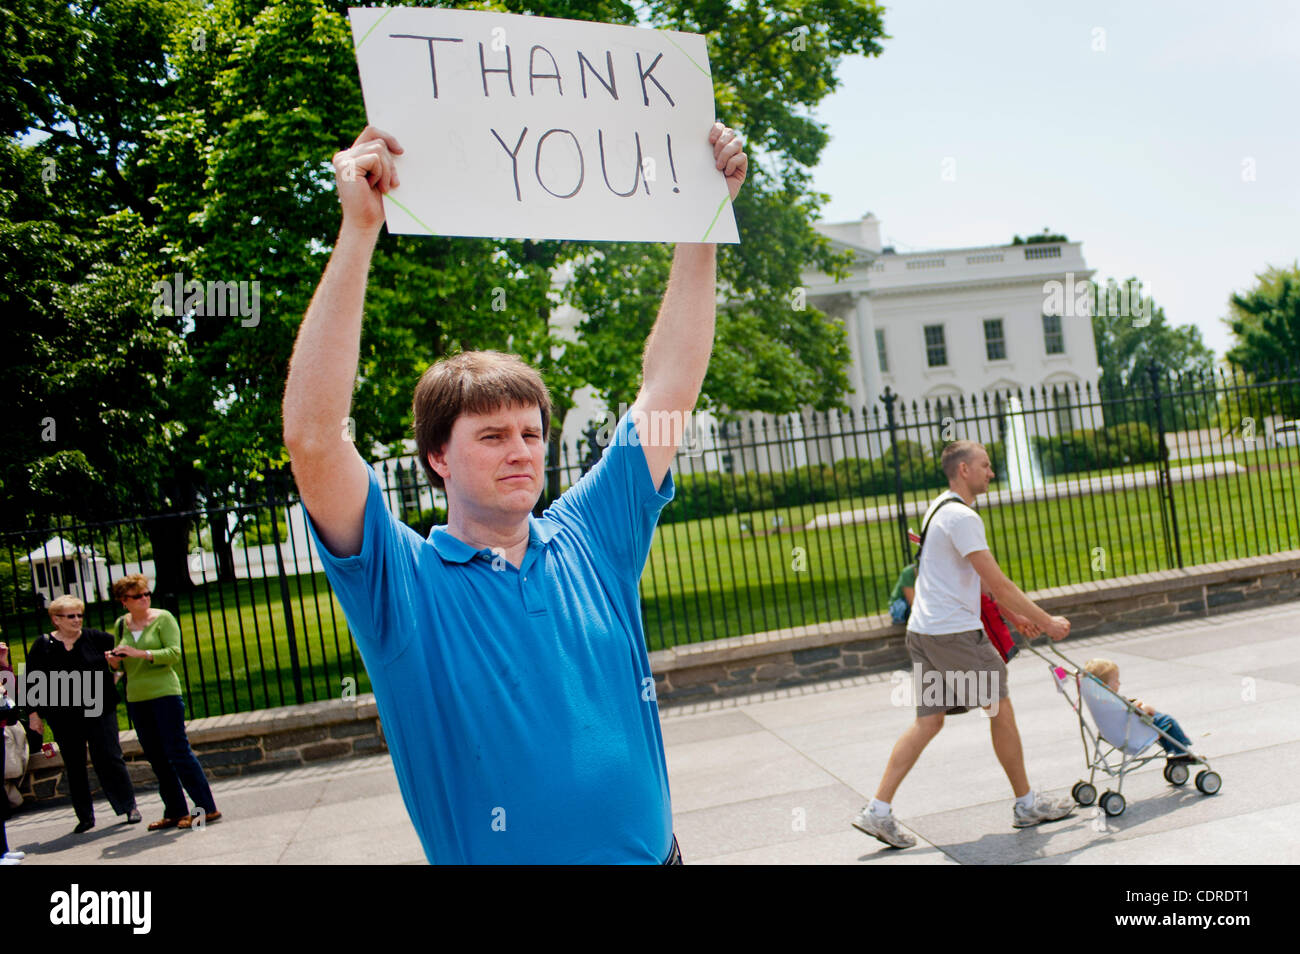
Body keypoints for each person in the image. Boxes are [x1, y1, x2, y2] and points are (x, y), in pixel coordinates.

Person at [282, 122, 747, 864]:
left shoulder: (593, 536)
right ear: (437, 455)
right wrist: (358, 230)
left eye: (530, 434)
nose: (521, 452)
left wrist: (702, 220)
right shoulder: (402, 583)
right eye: (491, 436)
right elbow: (312, 438)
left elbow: (671, 384)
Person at [853, 440, 1077, 848]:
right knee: (1000, 709)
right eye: (985, 465)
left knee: (929, 721)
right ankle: (1027, 804)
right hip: (953, 634)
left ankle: (877, 811)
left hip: (923, 632)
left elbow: (965, 579)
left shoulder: (939, 507)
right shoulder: (961, 517)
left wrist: (1015, 617)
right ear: (963, 470)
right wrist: (1047, 622)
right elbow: (998, 582)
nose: (991, 472)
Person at [109, 575, 220, 830]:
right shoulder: (120, 625)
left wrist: (141, 653)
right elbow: (122, 665)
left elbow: (174, 654)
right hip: (137, 697)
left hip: (165, 694)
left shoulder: (162, 618)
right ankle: (175, 810)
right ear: (124, 601)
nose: (145, 598)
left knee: (178, 752)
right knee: (157, 757)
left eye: (147, 593)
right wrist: (114, 661)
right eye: (138, 596)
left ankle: (206, 808)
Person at [23, 596, 140, 834]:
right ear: (56, 619)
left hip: (98, 708)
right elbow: (31, 681)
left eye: (79, 615)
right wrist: (34, 715)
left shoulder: (96, 638)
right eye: (70, 616)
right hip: (63, 714)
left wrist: (115, 677)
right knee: (74, 764)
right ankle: (85, 816)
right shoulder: (43, 644)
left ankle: (128, 806)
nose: (77, 620)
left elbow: (122, 657)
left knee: (109, 757)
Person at [1082, 658, 1197, 764]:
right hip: (1133, 735)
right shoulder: (1112, 700)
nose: (1119, 683)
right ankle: (1182, 751)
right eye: (1116, 681)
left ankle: (1173, 752)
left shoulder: (1101, 702)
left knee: (1160, 726)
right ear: (1105, 685)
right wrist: (1146, 708)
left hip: (1116, 734)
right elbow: (1136, 711)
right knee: (1168, 722)